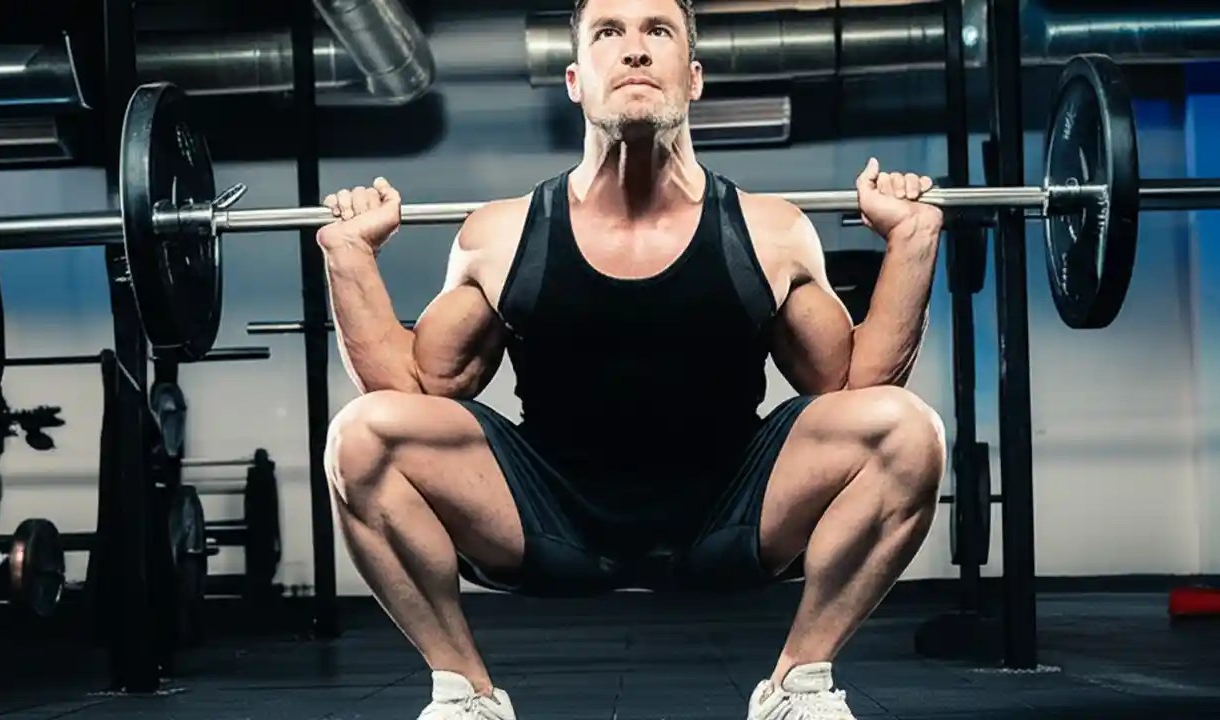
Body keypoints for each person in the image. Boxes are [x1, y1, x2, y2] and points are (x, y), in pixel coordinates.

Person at [317, 0, 946, 717]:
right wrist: (348, 257)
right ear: (576, 78)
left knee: (906, 429)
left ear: (695, 76)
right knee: (363, 435)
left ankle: (798, 688)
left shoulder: (772, 232)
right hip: (547, 519)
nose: (636, 50)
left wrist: (914, 242)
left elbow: (854, 385)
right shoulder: (501, 234)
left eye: (658, 31)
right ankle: (466, 695)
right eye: (609, 33)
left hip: (730, 513)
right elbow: (412, 386)